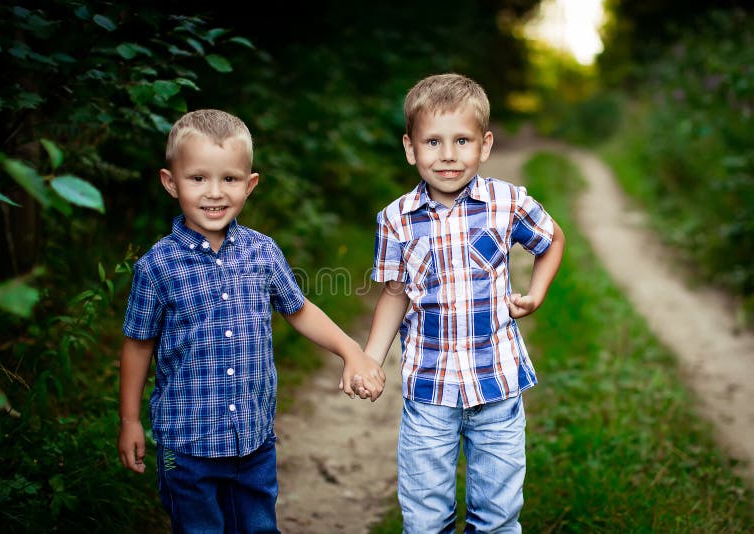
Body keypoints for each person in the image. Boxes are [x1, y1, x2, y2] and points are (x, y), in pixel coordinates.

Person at [117, 109, 386, 533]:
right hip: (186, 447)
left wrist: (350, 350)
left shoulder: (262, 252)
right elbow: (137, 343)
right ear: (171, 182)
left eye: (229, 179)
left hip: (253, 440)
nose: (214, 193)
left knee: (258, 527)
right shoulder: (157, 266)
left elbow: (299, 310)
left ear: (250, 184)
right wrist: (130, 420)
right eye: (198, 178)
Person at [358, 73, 565, 532]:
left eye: (461, 141)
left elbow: (552, 239)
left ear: (485, 145)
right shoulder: (395, 220)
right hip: (428, 387)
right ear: (410, 148)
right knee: (425, 515)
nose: (447, 155)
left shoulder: (506, 203)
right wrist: (371, 357)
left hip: (497, 385)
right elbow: (394, 293)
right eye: (432, 142)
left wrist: (536, 292)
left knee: (497, 513)